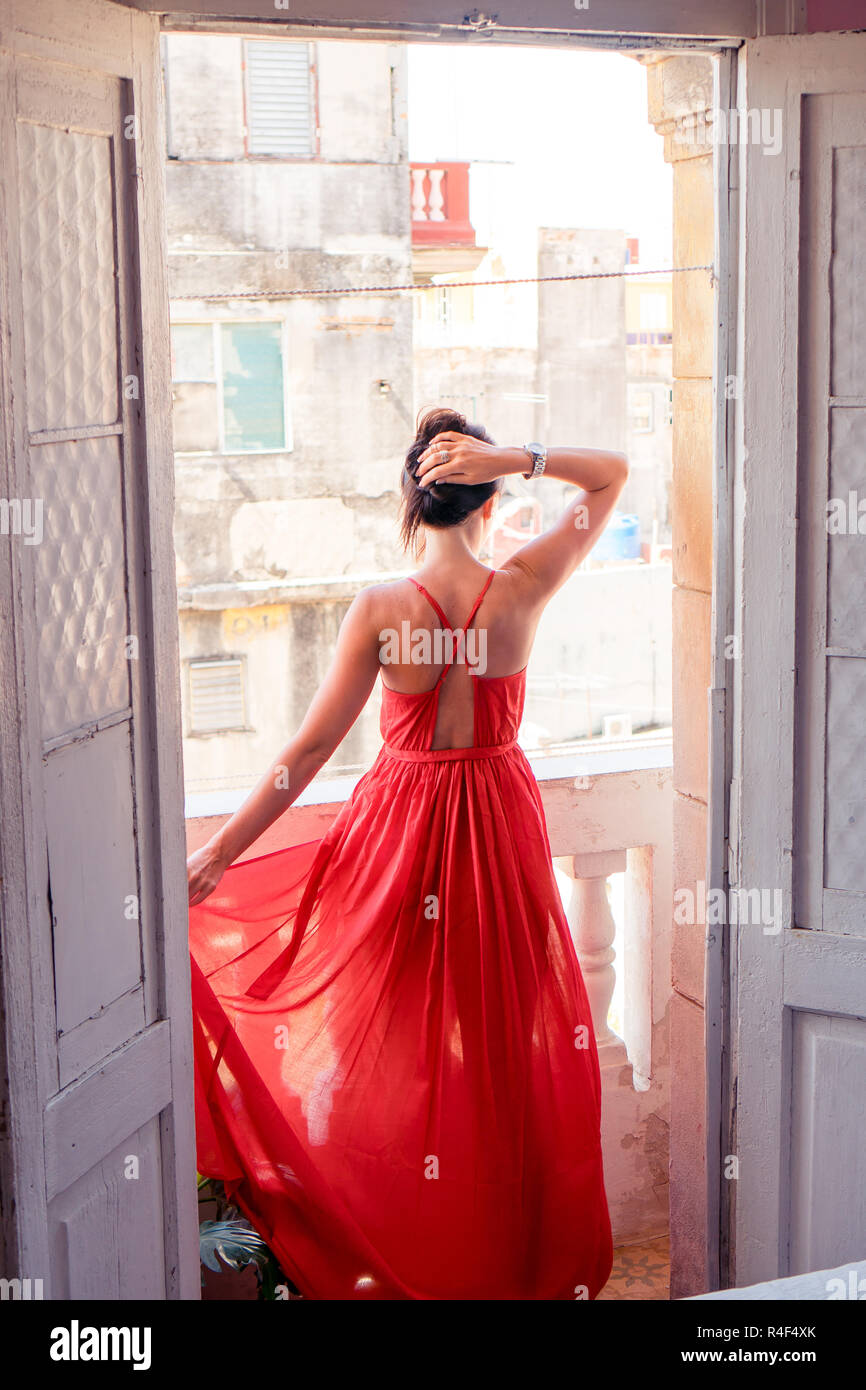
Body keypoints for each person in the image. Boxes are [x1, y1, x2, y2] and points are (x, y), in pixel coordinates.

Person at [187, 406, 629, 1300]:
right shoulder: (525, 585)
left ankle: (382, 1255)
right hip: (498, 829)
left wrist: (220, 856)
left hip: (401, 839)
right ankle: (500, 1265)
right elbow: (611, 474)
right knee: (501, 1054)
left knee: (381, 1049)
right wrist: (519, 456)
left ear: (409, 502)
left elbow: (307, 754)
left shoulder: (383, 608)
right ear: (489, 496)